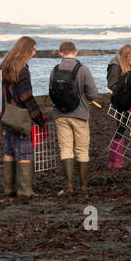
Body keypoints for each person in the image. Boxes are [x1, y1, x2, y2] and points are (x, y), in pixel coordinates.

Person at [0, 35, 47, 202]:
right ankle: (25, 191)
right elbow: (26, 96)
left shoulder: (5, 66)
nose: (35, 53)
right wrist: (39, 117)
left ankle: (9, 189)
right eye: (33, 50)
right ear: (26, 50)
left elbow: (3, 94)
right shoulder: (22, 69)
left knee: (10, 150)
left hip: (6, 115)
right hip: (20, 117)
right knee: (25, 151)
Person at [47, 42, 98, 194]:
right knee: (82, 149)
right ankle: (83, 186)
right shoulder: (83, 70)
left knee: (66, 149)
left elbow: (51, 92)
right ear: (75, 52)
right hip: (80, 114)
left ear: (60, 53)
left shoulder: (54, 70)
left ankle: (68, 185)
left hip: (60, 115)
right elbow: (93, 94)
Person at [105, 44, 131, 178]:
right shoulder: (115, 66)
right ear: (126, 57)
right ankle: (116, 160)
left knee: (124, 128)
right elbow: (112, 85)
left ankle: (116, 159)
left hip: (127, 100)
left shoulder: (126, 66)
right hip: (120, 101)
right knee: (121, 128)